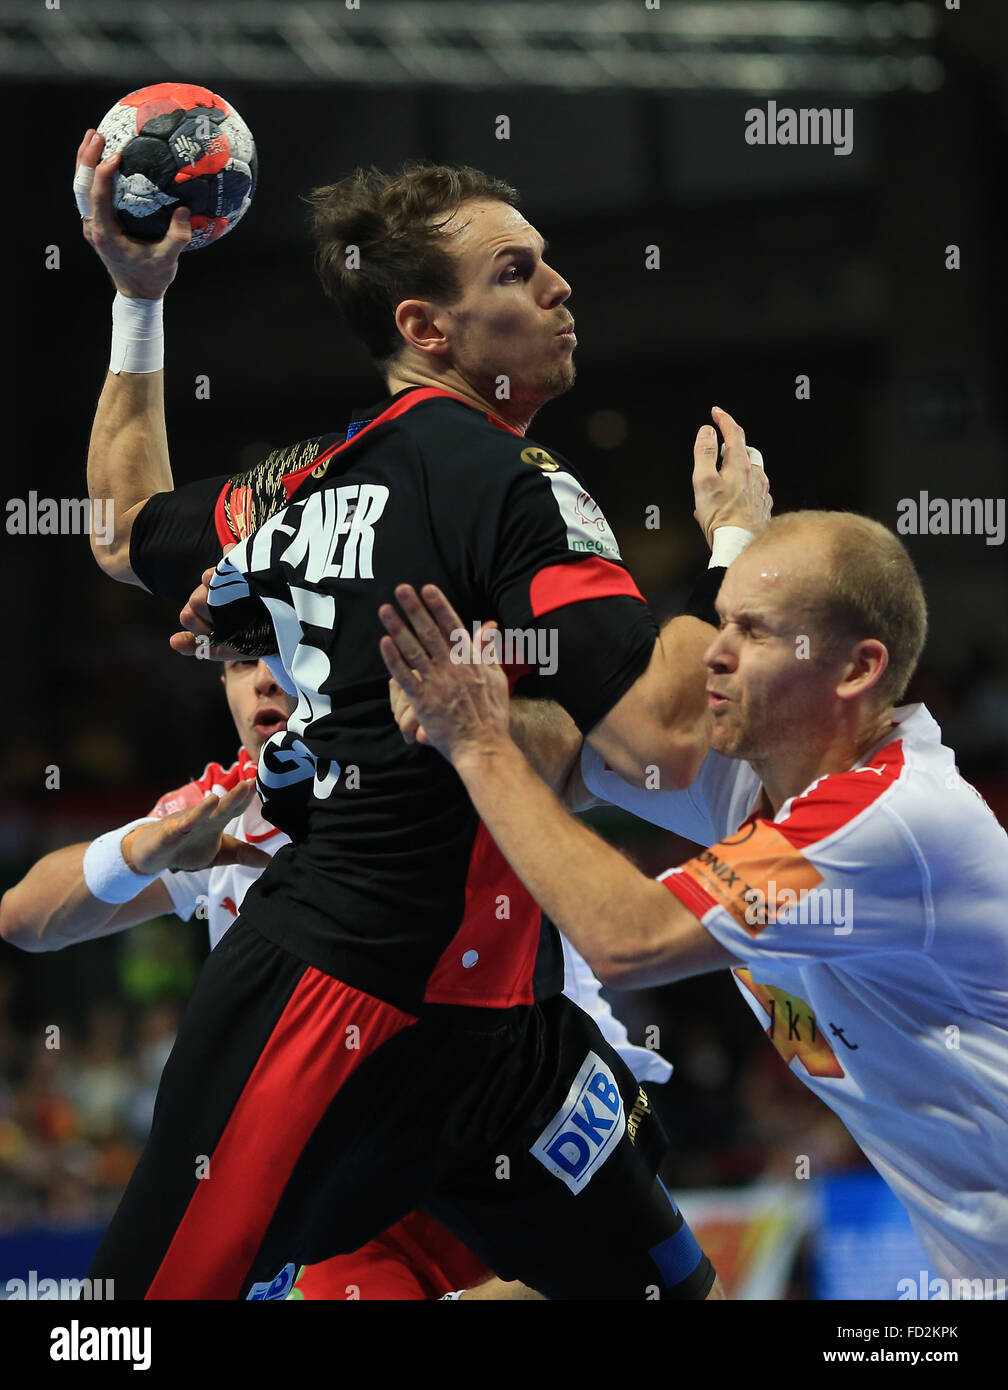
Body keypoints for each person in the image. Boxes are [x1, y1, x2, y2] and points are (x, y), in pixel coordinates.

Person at [74, 130, 772, 1298]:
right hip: (333, 992)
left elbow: (120, 524)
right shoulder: (519, 483)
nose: (557, 285)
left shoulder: (299, 480)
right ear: (424, 329)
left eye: (546, 260)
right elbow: (665, 740)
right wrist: (739, 547)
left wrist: (139, 301)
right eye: (513, 269)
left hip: (504, 1031)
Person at [377, 510, 1008, 1285]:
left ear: (855, 670)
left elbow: (628, 938)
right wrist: (463, 718)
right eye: (720, 623)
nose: (716, 651)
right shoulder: (761, 778)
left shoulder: (893, 818)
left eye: (753, 631)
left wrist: (475, 742)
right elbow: (573, 765)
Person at [1, 660, 672, 1298]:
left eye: (278, 650)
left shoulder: (452, 776)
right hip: (341, 1182)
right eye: (239, 662)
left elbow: (620, 743)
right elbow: (25, 918)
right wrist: (135, 853)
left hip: (515, 1128)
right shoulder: (224, 810)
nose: (263, 676)